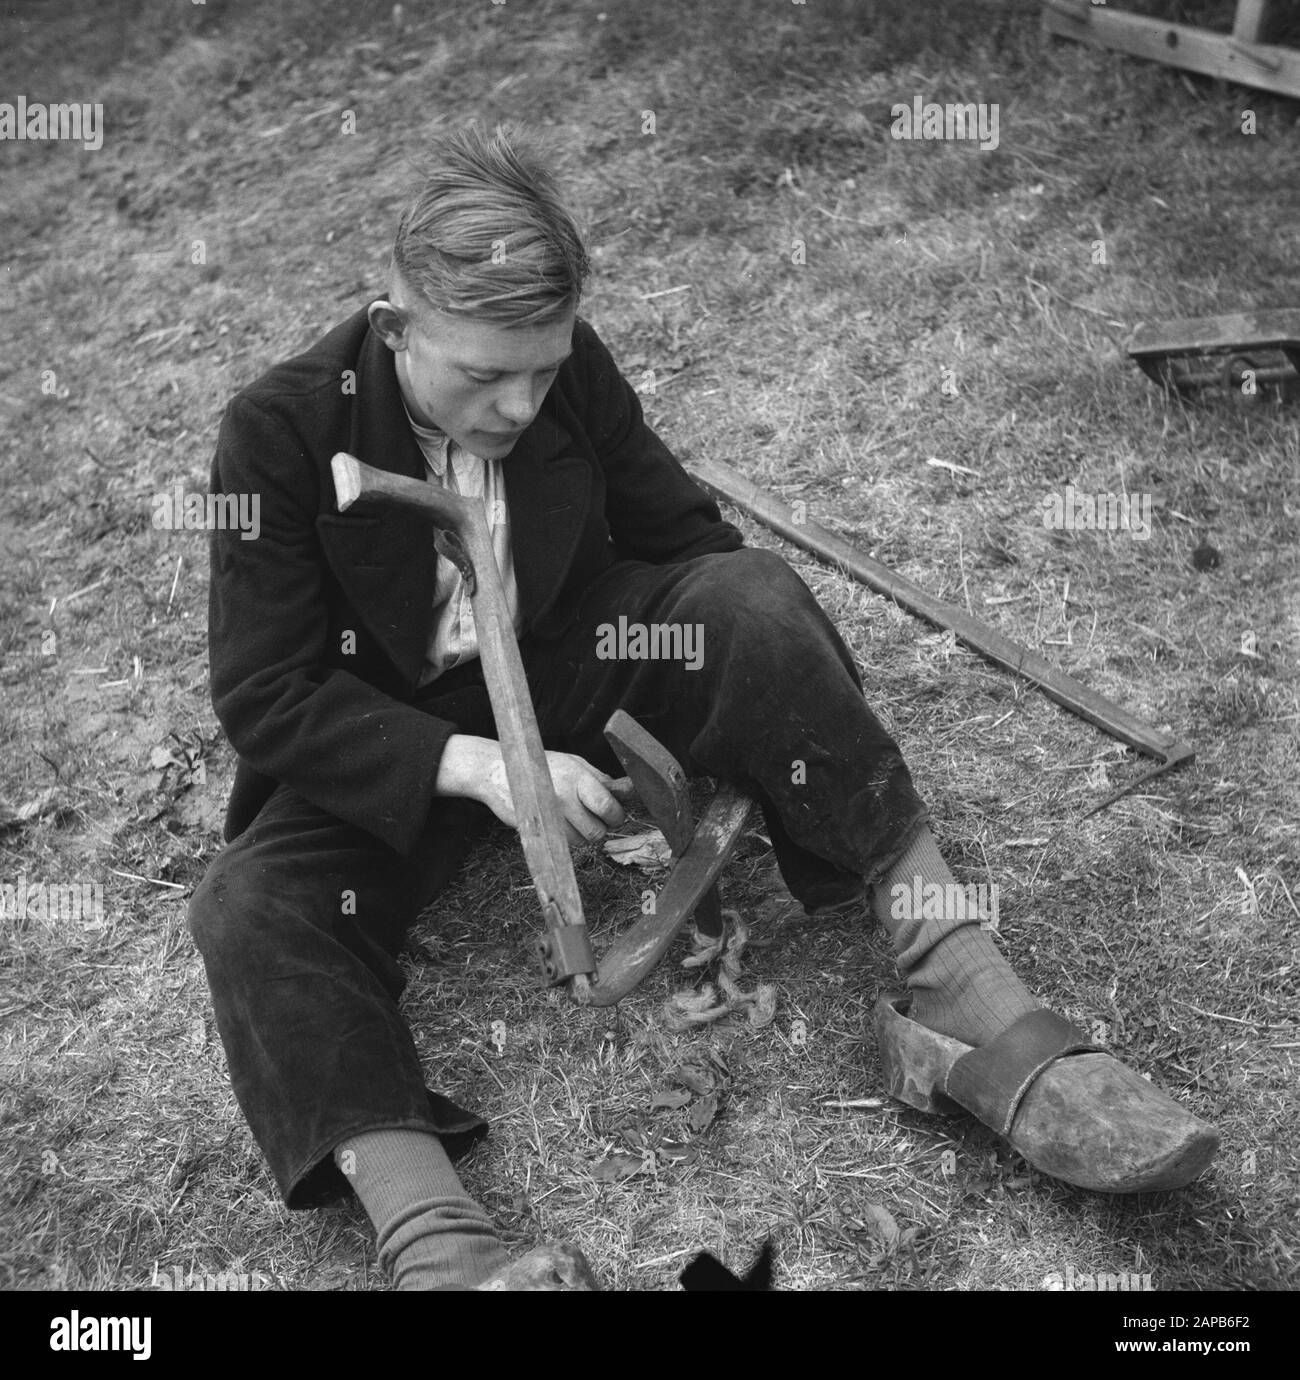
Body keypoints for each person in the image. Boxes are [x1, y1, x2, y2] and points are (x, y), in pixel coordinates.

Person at [189, 123, 1218, 1292]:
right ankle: (440, 1245)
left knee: (746, 599)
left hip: (570, 666)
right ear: (393, 325)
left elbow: (683, 542)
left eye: (544, 364)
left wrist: (695, 734)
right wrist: (481, 765)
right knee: (250, 903)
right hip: (400, 734)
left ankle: (966, 997)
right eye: (482, 374)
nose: (522, 404)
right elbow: (267, 690)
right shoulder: (276, 434)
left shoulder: (564, 374)